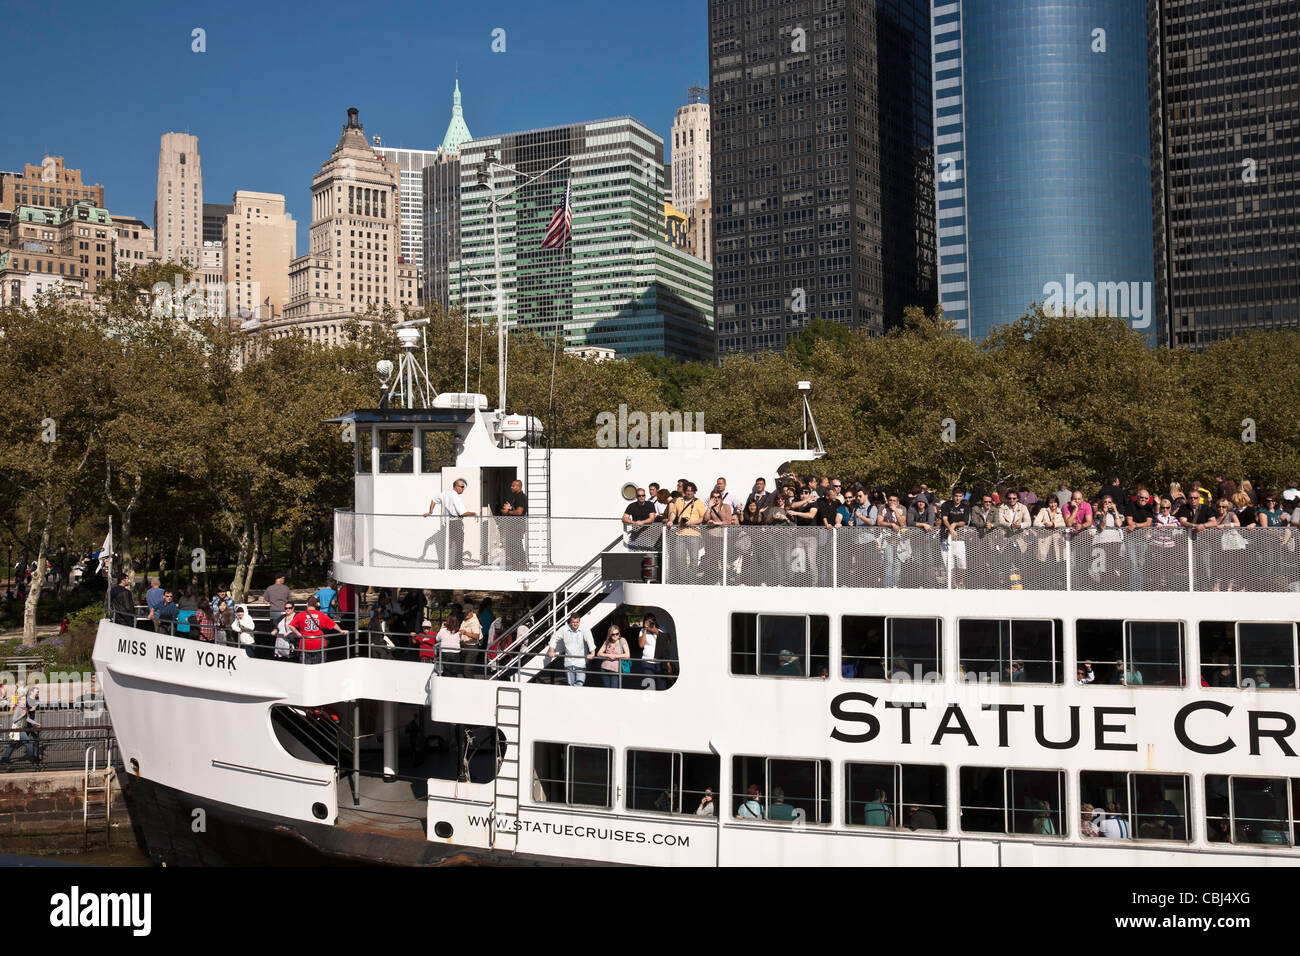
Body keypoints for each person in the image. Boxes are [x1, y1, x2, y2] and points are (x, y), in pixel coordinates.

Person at [423, 478, 476, 568]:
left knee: (449, 545)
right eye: (462, 487)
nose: (463, 489)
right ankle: (458, 565)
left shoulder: (445, 493)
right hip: (456, 523)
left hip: (448, 523)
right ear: (456, 487)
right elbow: (463, 513)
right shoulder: (455, 497)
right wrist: (474, 513)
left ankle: (446, 565)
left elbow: (433, 500)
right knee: (459, 544)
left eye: (464, 487)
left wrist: (430, 512)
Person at [665, 481, 707, 579]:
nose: (689, 493)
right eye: (687, 491)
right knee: (680, 559)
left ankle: (692, 581)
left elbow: (703, 518)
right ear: (684, 491)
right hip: (680, 533)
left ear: (694, 492)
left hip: (694, 534)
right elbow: (673, 513)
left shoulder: (698, 502)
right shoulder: (679, 500)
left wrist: (691, 522)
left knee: (693, 559)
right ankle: (682, 580)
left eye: (692, 491)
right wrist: (671, 521)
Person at [288, 595, 344, 665]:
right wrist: (341, 630)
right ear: (316, 605)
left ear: (307, 604)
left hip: (305, 644)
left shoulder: (300, 615)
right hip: (319, 644)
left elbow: (290, 625)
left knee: (306, 667)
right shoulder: (321, 615)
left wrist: (298, 633)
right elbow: (333, 624)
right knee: (319, 667)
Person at [547, 613, 594, 686]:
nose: (575, 624)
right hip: (569, 661)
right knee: (570, 685)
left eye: (577, 622)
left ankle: (575, 697)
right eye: (573, 622)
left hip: (581, 662)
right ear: (570, 621)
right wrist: (551, 650)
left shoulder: (585, 629)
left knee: (580, 683)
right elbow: (554, 638)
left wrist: (592, 653)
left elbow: (590, 641)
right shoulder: (564, 629)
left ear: (579, 621)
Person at [636, 613, 677, 689]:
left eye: (651, 622)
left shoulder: (662, 629)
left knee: (662, 686)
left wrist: (656, 631)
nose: (649, 623)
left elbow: (668, 641)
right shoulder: (642, 630)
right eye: (647, 622)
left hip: (661, 663)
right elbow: (641, 645)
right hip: (647, 662)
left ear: (655, 621)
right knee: (649, 687)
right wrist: (645, 630)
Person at [939, 489, 969, 587]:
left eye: (960, 496)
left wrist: (955, 524)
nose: (958, 498)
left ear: (963, 496)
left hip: (959, 538)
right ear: (952, 496)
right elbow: (944, 519)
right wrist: (950, 529)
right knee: (948, 562)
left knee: (961, 562)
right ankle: (953, 583)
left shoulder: (965, 507)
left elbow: (964, 521)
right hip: (945, 537)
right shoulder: (946, 505)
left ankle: (961, 583)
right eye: (956, 495)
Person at [0, 694, 40, 768]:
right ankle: (34, 758)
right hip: (18, 729)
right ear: (20, 701)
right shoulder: (18, 709)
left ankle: (4, 760)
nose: (25, 701)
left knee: (12, 745)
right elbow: (14, 720)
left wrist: (35, 723)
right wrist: (22, 715)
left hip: (21, 728)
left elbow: (27, 719)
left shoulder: (24, 708)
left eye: (25, 699)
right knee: (27, 743)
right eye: (24, 699)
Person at [499, 478, 528, 569]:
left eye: (513, 486)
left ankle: (521, 565)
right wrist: (510, 508)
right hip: (515, 526)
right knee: (513, 545)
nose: (511, 487)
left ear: (519, 486)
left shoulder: (520, 496)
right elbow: (516, 510)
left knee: (516, 545)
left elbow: (519, 512)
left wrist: (507, 512)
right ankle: (517, 564)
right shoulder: (517, 496)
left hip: (517, 526)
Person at [436, 612, 464, 676]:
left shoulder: (443, 630)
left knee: (446, 672)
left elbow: (437, 639)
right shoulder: (459, 631)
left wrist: (441, 628)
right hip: (456, 652)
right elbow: (462, 640)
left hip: (445, 652)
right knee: (454, 672)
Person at [460, 607, 484, 677]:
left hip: (472, 647)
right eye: (464, 613)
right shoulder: (465, 620)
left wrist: (465, 633)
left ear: (471, 612)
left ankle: (471, 685)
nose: (465, 614)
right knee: (464, 669)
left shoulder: (475, 622)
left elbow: (476, 636)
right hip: (465, 646)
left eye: (467, 613)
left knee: (467, 670)